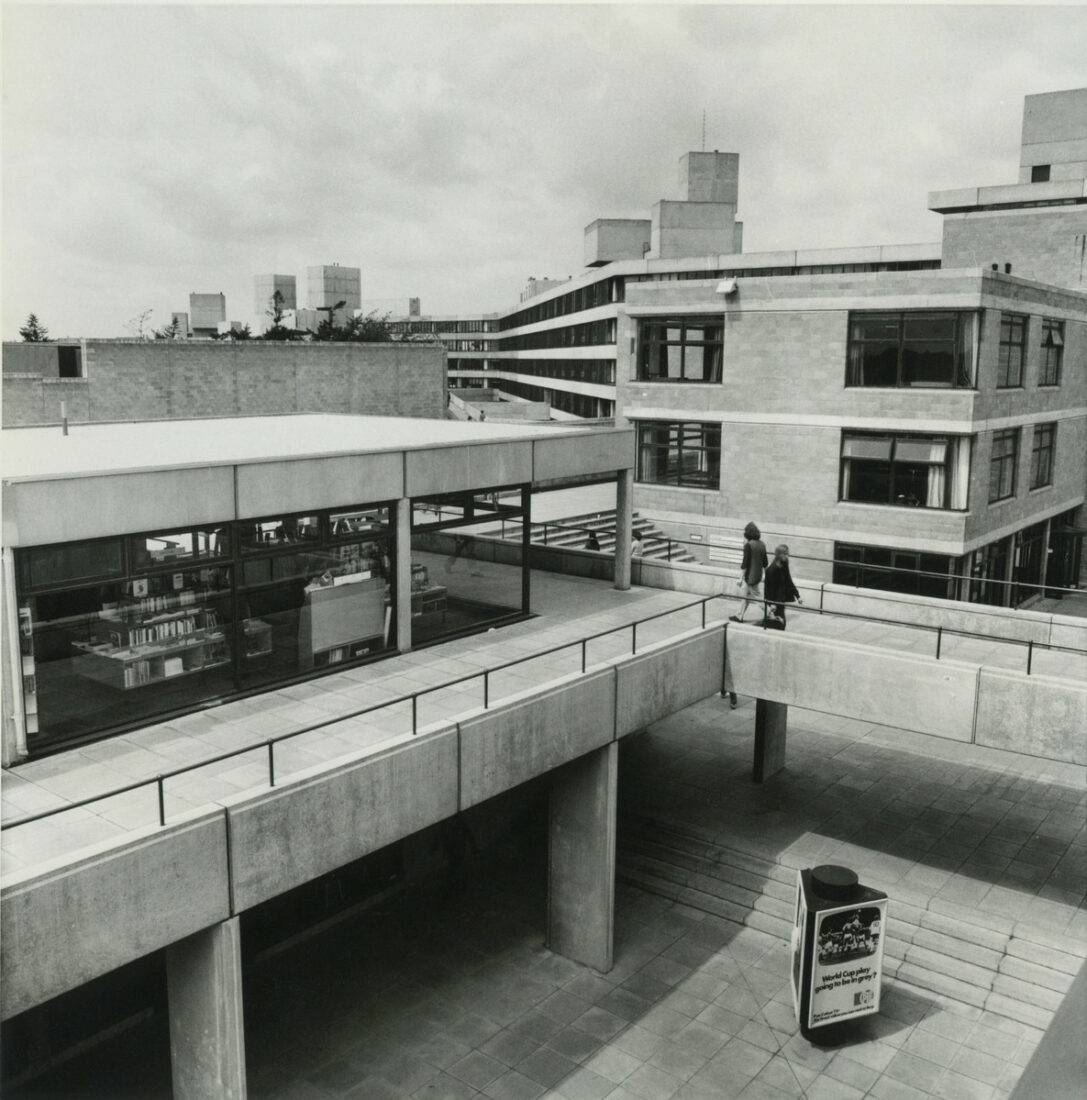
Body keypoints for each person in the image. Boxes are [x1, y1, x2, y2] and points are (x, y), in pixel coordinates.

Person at [730, 522, 768, 622]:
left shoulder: (748, 545)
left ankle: (770, 614)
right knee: (745, 596)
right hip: (757, 575)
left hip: (750, 576)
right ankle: (739, 616)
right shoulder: (762, 544)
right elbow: (765, 562)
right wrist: (766, 575)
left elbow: (745, 563)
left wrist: (740, 578)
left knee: (757, 597)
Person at [763, 544, 802, 626]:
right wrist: (772, 603)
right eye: (784, 554)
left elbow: (789, 580)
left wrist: (798, 595)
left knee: (781, 623)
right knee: (779, 624)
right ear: (778, 554)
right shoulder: (771, 570)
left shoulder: (784, 564)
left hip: (781, 599)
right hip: (774, 600)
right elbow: (769, 589)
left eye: (787, 554)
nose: (787, 556)